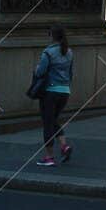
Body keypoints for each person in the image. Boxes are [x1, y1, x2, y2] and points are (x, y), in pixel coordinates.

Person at [33, 24, 73, 167]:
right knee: (54, 120)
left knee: (48, 124)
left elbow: (40, 72)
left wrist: (36, 68)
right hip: (64, 91)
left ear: (51, 36)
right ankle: (64, 146)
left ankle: (49, 157)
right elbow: (70, 73)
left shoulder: (48, 53)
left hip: (50, 91)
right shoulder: (69, 51)